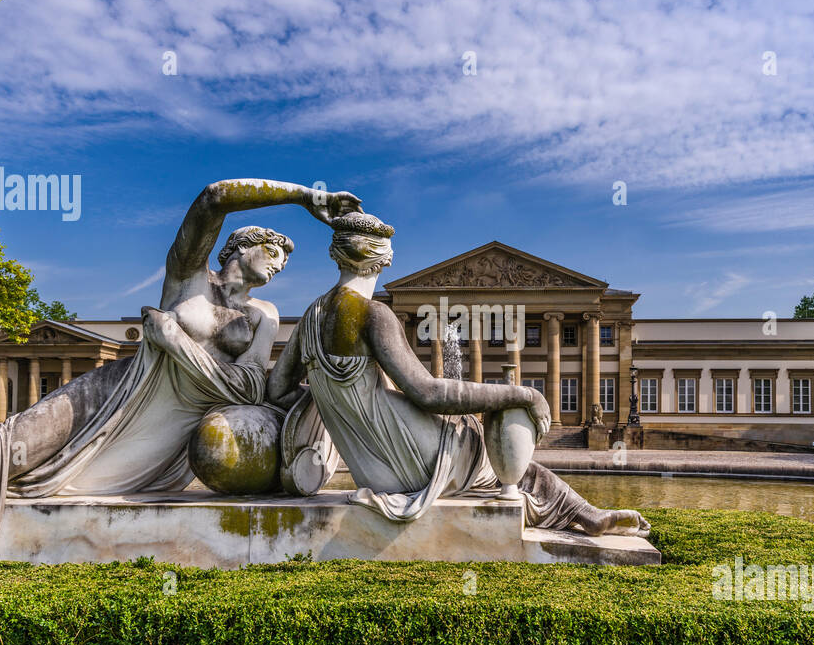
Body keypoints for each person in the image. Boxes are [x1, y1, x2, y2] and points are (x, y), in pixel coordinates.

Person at [0, 179, 361, 559]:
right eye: (276, 251)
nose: (283, 263)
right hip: (120, 395)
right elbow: (213, 198)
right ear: (240, 247)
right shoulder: (189, 278)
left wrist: (175, 340)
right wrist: (305, 196)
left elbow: (247, 385)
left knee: (19, 481)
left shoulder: (265, 315)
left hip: (171, 432)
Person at [266, 210, 650, 537]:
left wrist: (338, 406)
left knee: (476, 436)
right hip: (414, 458)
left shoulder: (309, 319)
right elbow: (429, 393)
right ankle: (582, 514)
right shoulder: (374, 314)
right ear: (383, 260)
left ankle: (581, 512)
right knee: (484, 437)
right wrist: (525, 394)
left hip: (372, 469)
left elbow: (279, 389)